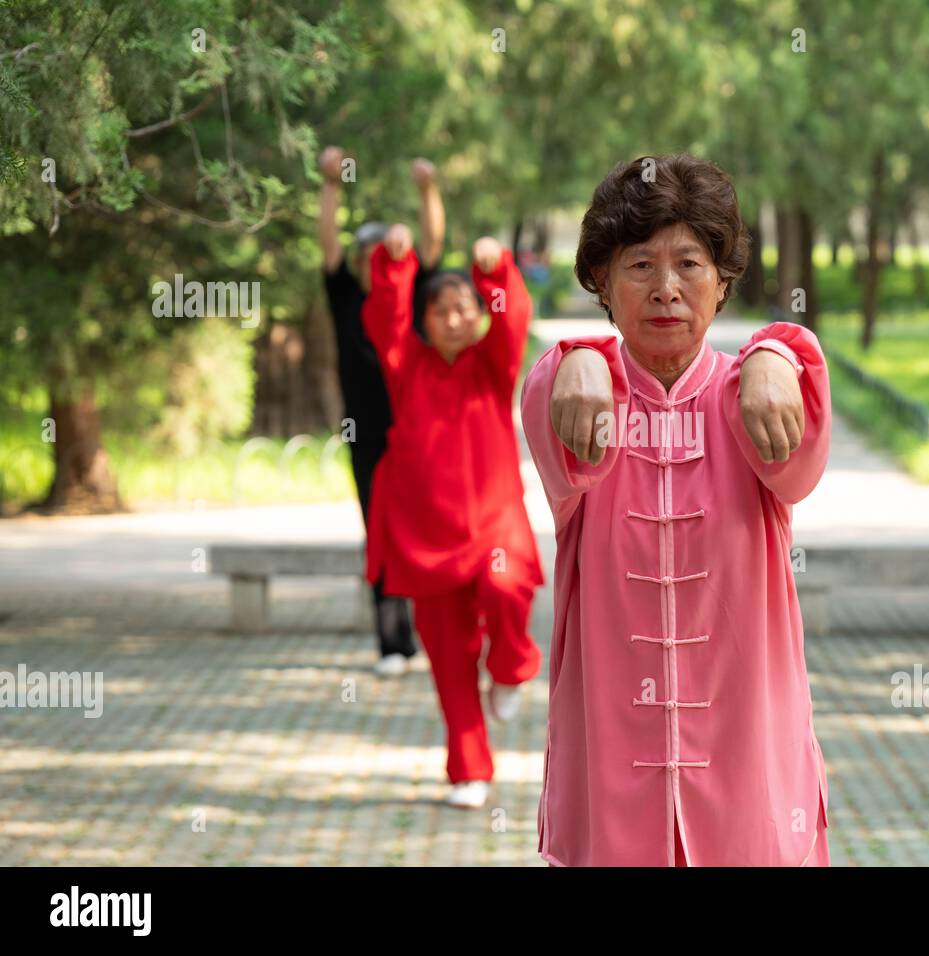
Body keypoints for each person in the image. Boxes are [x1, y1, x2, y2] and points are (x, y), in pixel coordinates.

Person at [521, 153, 832, 866]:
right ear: (601, 280)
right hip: (612, 781)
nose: (665, 289)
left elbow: (802, 454)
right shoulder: (576, 393)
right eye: (638, 266)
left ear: (722, 283)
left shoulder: (753, 398)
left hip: (748, 777)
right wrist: (576, 353)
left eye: (689, 264)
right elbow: (549, 396)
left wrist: (778, 353)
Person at [362, 223, 543, 810]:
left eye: (465, 306)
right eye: (441, 310)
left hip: (494, 525)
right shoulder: (405, 365)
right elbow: (386, 315)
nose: (455, 318)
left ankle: (512, 667)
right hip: (426, 539)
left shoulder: (491, 366)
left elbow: (510, 316)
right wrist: (395, 263)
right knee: (448, 659)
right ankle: (470, 769)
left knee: (507, 585)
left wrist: (493, 274)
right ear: (427, 320)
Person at [317, 148, 446, 676]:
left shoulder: (415, 293)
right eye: (365, 253)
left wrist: (427, 191)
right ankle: (394, 643)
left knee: (432, 531)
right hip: (367, 436)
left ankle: (442, 632)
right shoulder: (344, 295)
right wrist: (331, 184)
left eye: (381, 252)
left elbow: (433, 243)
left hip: (420, 435)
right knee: (381, 534)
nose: (375, 261)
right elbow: (326, 239)